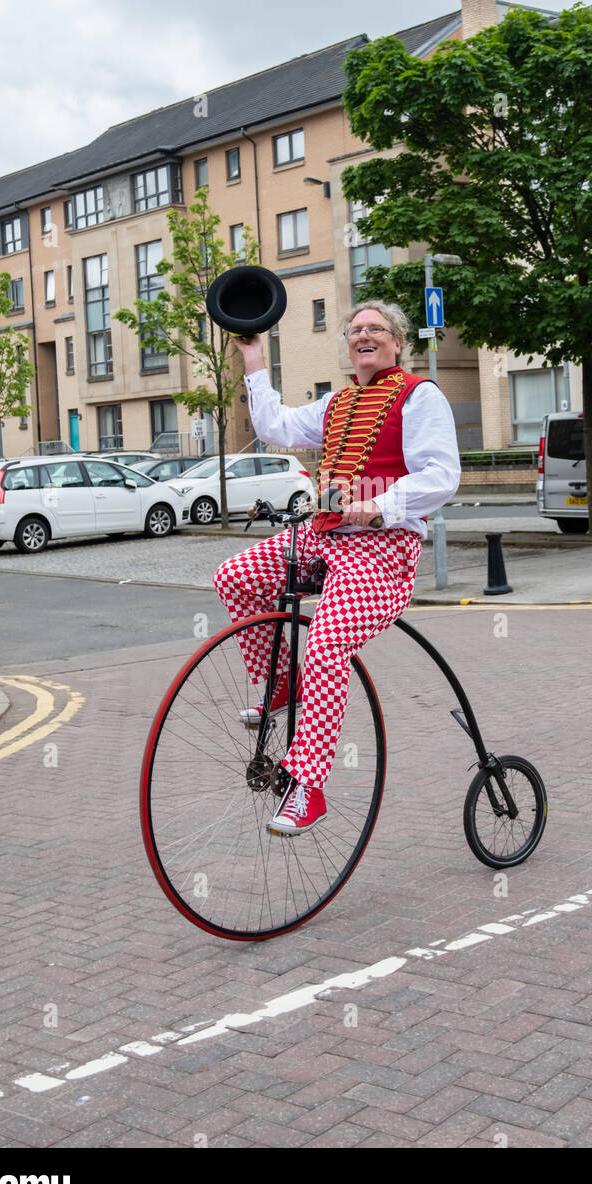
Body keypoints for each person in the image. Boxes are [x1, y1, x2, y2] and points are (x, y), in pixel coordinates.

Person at [213, 300, 461, 834]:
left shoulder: (419, 397)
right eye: (355, 330)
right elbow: (275, 425)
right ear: (347, 344)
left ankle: (308, 785)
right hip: (322, 537)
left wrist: (382, 505)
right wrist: (254, 357)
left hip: (382, 549)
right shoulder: (338, 403)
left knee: (326, 645)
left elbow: (442, 474)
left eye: (376, 328)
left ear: (397, 342)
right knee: (236, 576)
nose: (364, 335)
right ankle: (282, 685)